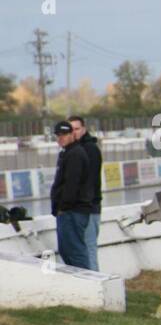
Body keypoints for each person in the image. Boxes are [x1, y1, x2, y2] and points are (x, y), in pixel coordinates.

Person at [49, 121, 94, 269]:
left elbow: (71, 184)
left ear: (72, 135)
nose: (61, 138)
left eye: (64, 135)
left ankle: (87, 285)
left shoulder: (75, 154)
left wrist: (63, 207)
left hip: (73, 211)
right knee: (67, 251)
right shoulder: (68, 153)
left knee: (75, 252)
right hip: (69, 211)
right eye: (58, 135)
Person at [69, 116, 102, 270]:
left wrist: (84, 204)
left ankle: (97, 286)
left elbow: (90, 180)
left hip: (89, 208)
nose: (74, 133)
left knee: (89, 250)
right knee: (82, 251)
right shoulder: (73, 150)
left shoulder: (90, 149)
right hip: (79, 209)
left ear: (83, 129)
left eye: (77, 129)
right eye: (71, 130)